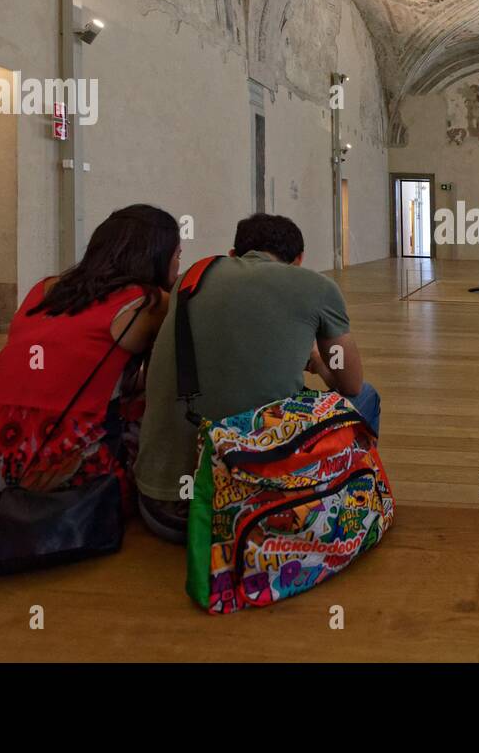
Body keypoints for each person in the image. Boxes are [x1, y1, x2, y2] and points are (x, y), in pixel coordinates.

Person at [135, 213, 380, 543]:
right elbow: (350, 384)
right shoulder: (318, 287)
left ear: (234, 254)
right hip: (249, 512)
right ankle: (345, 493)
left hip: (159, 507)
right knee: (366, 396)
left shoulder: (193, 275)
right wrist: (320, 364)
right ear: (298, 260)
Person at [0, 205, 180, 543]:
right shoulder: (147, 303)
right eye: (176, 256)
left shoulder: (43, 291)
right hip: (53, 496)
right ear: (156, 256)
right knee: (163, 399)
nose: (178, 265)